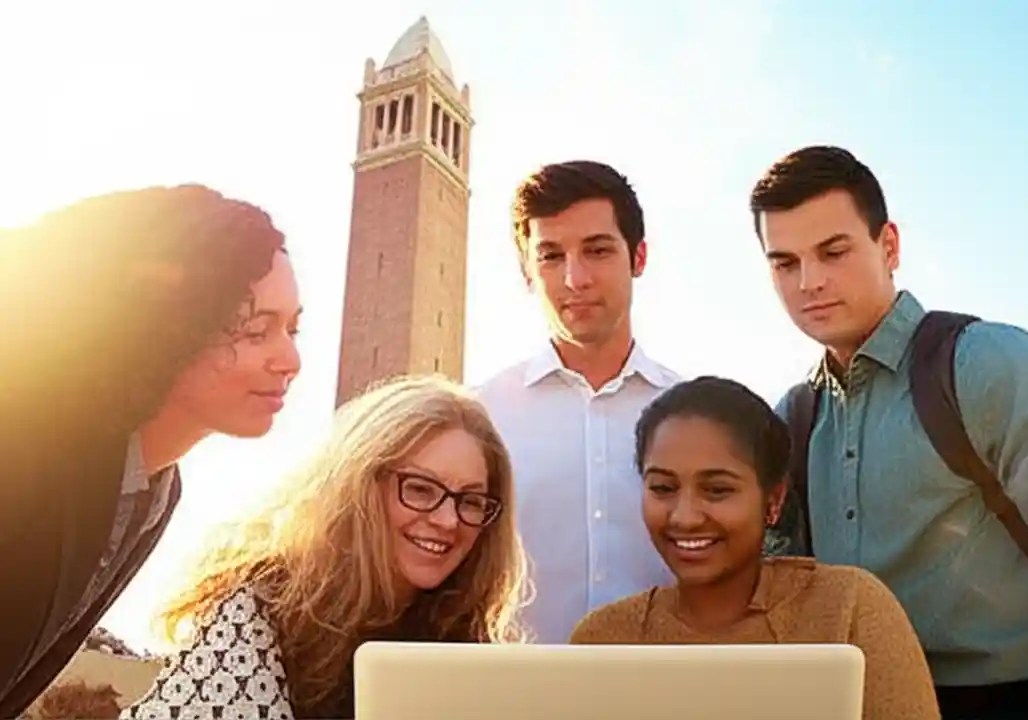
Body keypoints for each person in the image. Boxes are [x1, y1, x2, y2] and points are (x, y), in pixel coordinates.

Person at [749, 145, 1028, 719]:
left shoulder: (987, 363)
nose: (810, 282)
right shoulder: (792, 420)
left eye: (833, 251)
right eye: (785, 263)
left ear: (889, 245)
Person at [0, 185, 302, 718]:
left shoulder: (159, 491)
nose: (291, 359)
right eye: (259, 330)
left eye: (294, 328)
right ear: (173, 324)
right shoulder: (30, 448)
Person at [121, 375, 528, 719]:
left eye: (471, 501)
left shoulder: (468, 647)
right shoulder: (259, 614)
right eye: (420, 490)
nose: (447, 520)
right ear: (359, 488)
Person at [570, 377, 941, 719]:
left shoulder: (848, 609)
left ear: (773, 500)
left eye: (717, 490)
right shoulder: (605, 638)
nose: (684, 517)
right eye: (663, 489)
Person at [477, 160, 681, 644]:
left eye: (597, 250)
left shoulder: (693, 413)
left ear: (639, 257)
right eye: (550, 255)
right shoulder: (479, 417)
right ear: (527, 270)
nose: (575, 278)